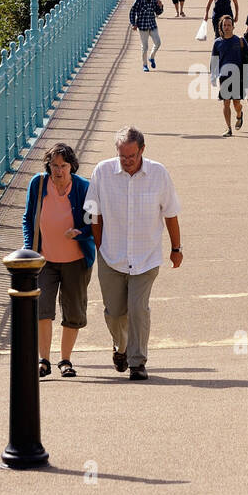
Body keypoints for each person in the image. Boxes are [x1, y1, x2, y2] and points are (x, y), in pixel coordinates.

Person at [85, 128, 182, 380]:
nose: (127, 160)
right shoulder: (102, 172)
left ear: (142, 150)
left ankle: (138, 362)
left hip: (146, 256)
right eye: (122, 156)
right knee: (115, 313)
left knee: (138, 309)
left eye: (131, 155)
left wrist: (176, 248)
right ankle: (121, 347)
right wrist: (99, 246)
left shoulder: (159, 173)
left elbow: (170, 213)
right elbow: (92, 213)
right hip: (111, 254)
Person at [22, 143, 96, 378]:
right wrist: (29, 249)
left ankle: (66, 360)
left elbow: (93, 222)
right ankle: (44, 360)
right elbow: (28, 219)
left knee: (73, 312)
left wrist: (80, 233)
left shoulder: (85, 187)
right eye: (54, 165)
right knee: (43, 310)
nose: (58, 170)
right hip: (45, 259)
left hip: (76, 260)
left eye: (63, 165)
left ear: (71, 166)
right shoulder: (38, 184)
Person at [210, 14, 248, 136]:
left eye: (229, 25)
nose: (227, 27)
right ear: (221, 27)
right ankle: (228, 128)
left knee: (236, 103)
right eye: (224, 25)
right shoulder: (217, 43)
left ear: (233, 26)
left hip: (238, 76)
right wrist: (213, 75)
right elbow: (214, 60)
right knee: (226, 102)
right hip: (224, 77)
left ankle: (239, 114)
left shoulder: (240, 41)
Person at [129, 0, 162, 71]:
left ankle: (151, 57)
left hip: (152, 24)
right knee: (145, 46)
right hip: (143, 26)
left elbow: (158, 12)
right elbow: (132, 11)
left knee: (158, 42)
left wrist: (160, 6)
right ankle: (145, 65)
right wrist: (133, 23)